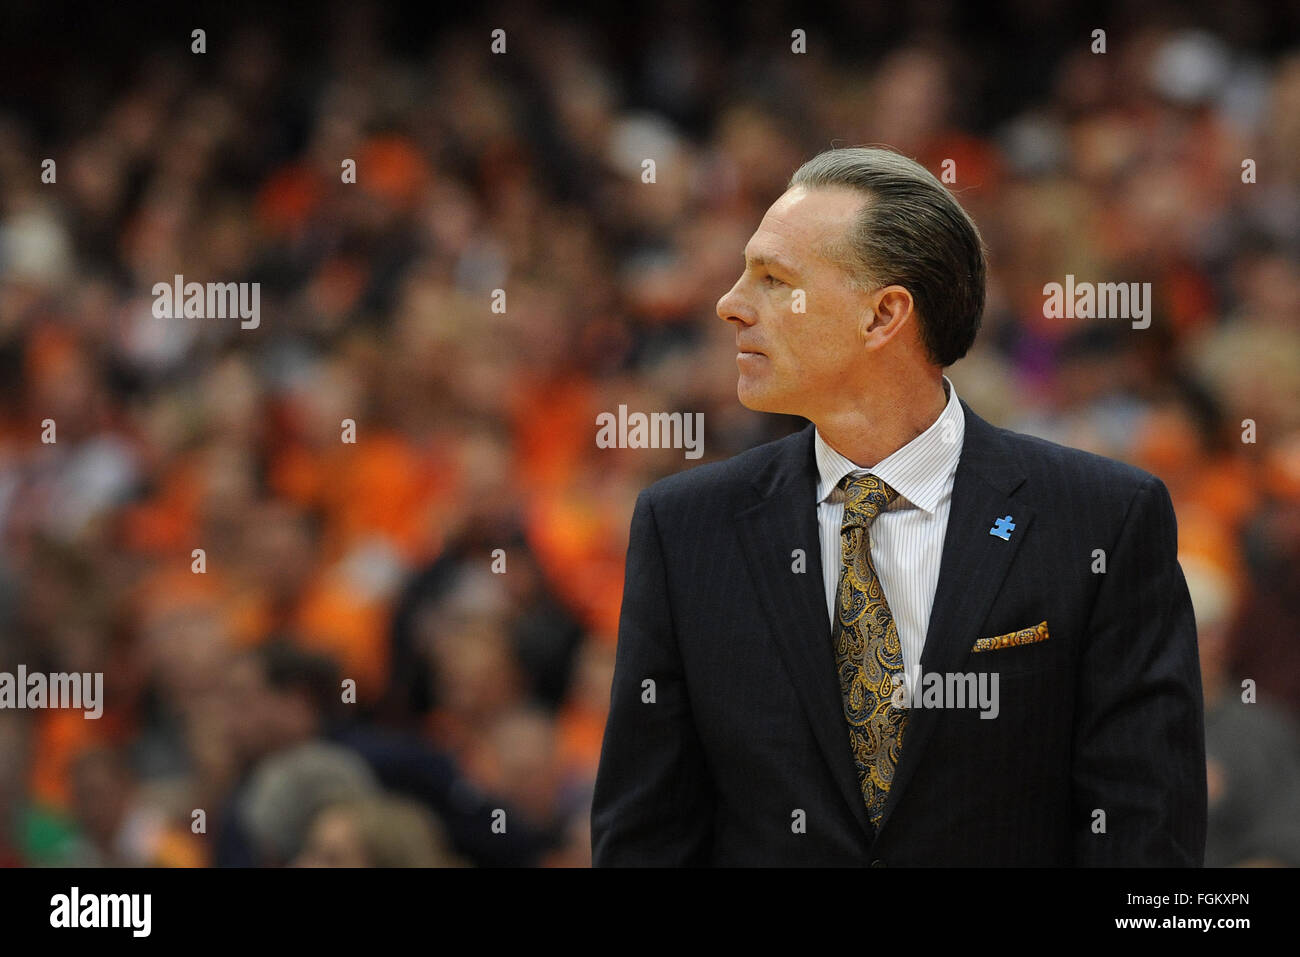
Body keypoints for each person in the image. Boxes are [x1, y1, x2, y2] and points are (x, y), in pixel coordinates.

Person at [591, 147, 1206, 866]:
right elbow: (646, 839)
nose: (731, 302)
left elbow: (1145, 836)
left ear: (884, 314)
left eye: (772, 278)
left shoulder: (1103, 518)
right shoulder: (684, 527)